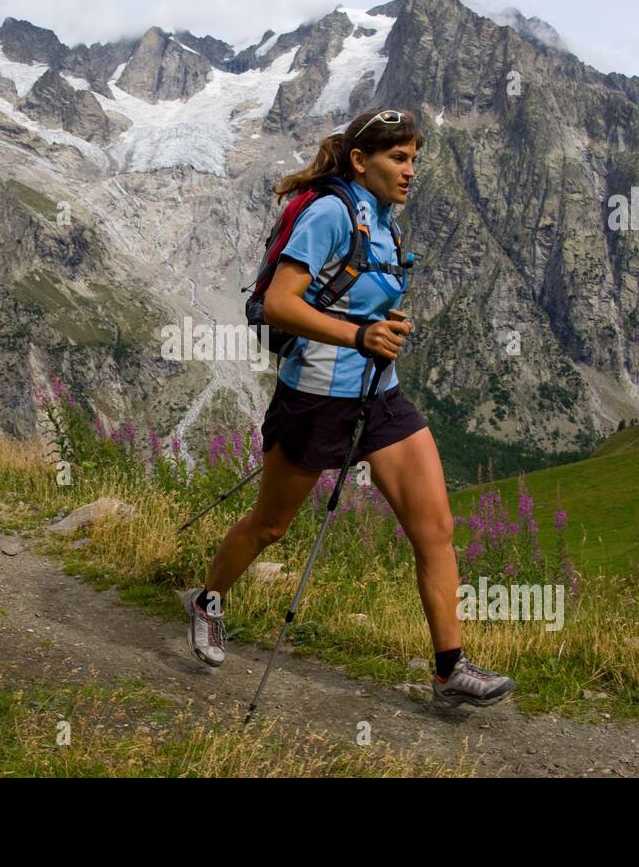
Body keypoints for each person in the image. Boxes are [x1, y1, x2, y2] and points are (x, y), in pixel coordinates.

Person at [183, 108, 515, 709]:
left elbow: (356, 296)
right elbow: (281, 303)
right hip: (315, 396)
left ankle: (449, 670)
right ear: (361, 160)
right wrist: (358, 336)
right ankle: (207, 600)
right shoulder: (330, 213)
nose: (410, 170)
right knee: (271, 527)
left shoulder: (385, 222)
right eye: (398, 157)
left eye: (415, 158)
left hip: (380, 394)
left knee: (435, 529)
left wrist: (381, 326)